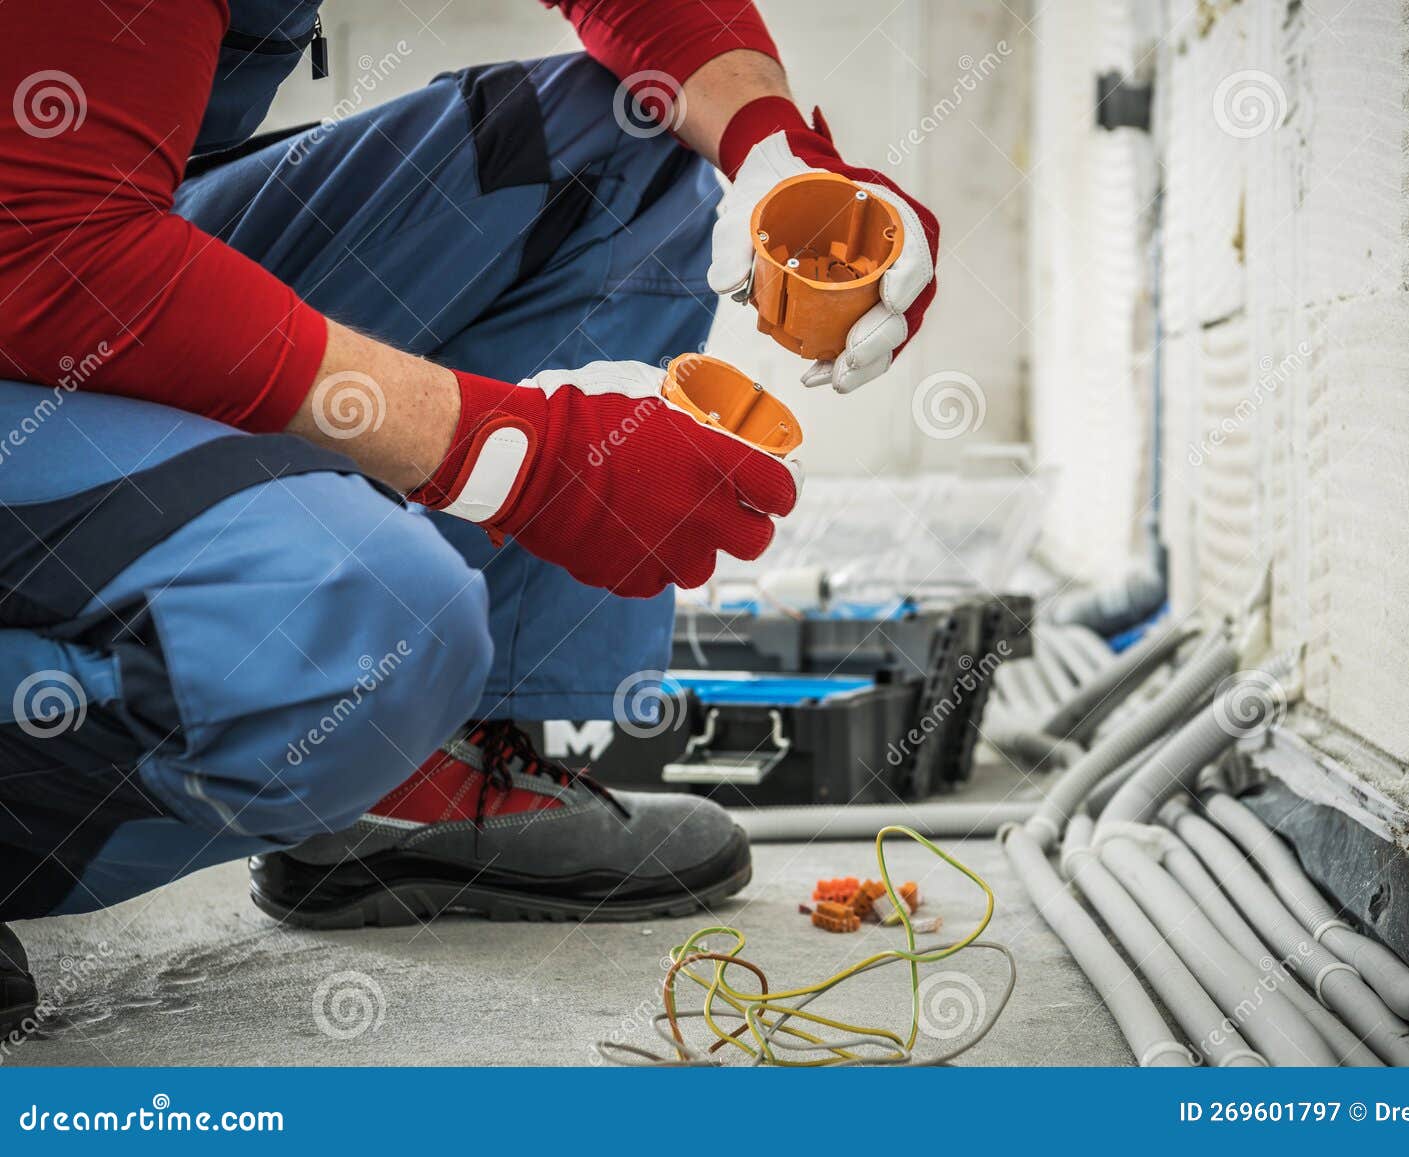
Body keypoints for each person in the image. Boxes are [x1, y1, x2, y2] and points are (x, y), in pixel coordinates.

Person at [0, 0, 938, 1036]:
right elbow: (49, 254)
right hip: (45, 262)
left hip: (88, 239)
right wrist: (512, 454)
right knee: (366, 625)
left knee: (633, 135)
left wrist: (776, 151)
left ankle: (423, 780)